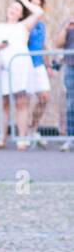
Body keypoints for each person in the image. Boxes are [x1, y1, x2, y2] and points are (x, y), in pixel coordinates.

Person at [0, 0, 44, 150]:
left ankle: (21, 138)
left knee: (21, 102)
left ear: (21, 14)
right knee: (4, 103)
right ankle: (2, 138)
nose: (13, 10)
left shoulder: (24, 26)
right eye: (11, 7)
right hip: (3, 67)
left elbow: (39, 12)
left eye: (17, 9)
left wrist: (25, 2)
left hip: (20, 66)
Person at [25, 0, 52, 140]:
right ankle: (22, 133)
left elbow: (43, 45)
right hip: (25, 64)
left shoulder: (41, 25)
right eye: (33, 4)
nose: (36, 7)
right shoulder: (24, 22)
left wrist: (48, 65)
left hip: (39, 65)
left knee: (44, 97)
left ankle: (33, 127)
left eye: (39, 5)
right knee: (25, 99)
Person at [58, 17, 74, 152]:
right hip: (71, 67)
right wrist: (66, 27)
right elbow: (59, 43)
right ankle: (70, 138)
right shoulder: (69, 24)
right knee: (71, 104)